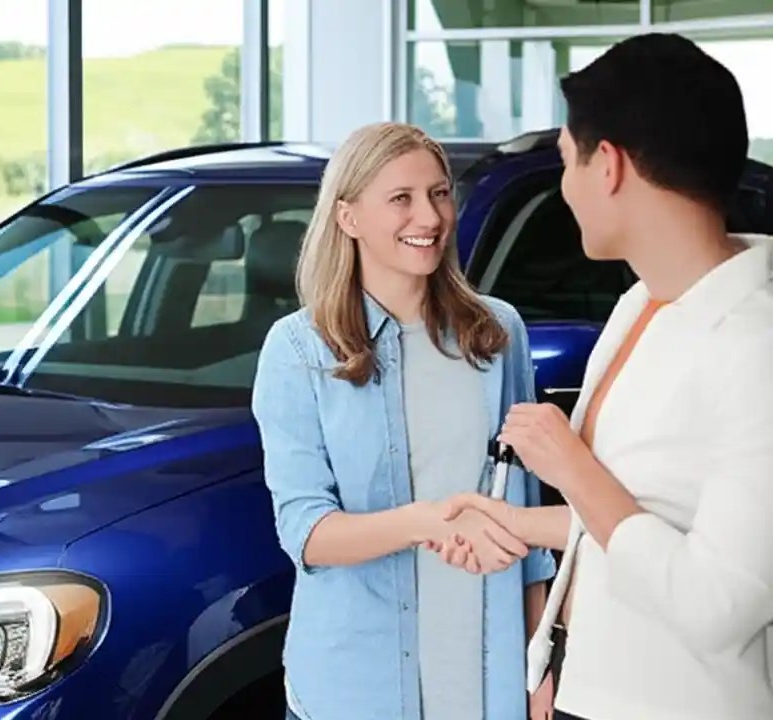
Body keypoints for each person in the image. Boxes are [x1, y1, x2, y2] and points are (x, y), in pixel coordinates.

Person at [436, 33, 773, 720]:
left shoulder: (755, 344)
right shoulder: (640, 303)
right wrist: (516, 524)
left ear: (610, 165)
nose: (566, 187)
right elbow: (636, 525)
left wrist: (569, 462)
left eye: (567, 162)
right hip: (591, 694)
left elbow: (716, 604)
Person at [250, 120, 557, 720]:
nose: (430, 217)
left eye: (439, 193)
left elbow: (525, 515)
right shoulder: (298, 350)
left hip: (483, 676)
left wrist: (537, 660)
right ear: (348, 217)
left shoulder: (497, 334)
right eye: (402, 199)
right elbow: (307, 533)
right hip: (354, 686)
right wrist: (423, 523)